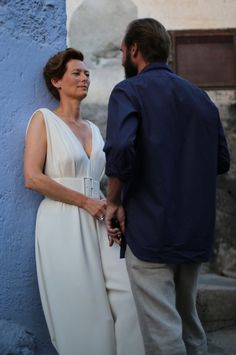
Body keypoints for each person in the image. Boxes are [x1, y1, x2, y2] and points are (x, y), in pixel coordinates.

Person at [104, 18, 230, 355]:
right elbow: (222, 162)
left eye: (122, 51)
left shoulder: (128, 91)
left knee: (163, 335)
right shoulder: (200, 98)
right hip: (195, 232)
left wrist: (113, 200)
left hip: (150, 231)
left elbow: (119, 149)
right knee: (189, 325)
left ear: (134, 50)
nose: (121, 58)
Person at [24, 48, 145, 355]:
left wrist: (108, 208)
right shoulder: (44, 120)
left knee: (128, 296)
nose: (84, 78)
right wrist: (85, 202)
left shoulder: (93, 128)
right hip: (62, 221)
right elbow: (33, 178)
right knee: (83, 308)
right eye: (76, 73)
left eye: (87, 73)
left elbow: (97, 181)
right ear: (56, 81)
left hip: (99, 217)